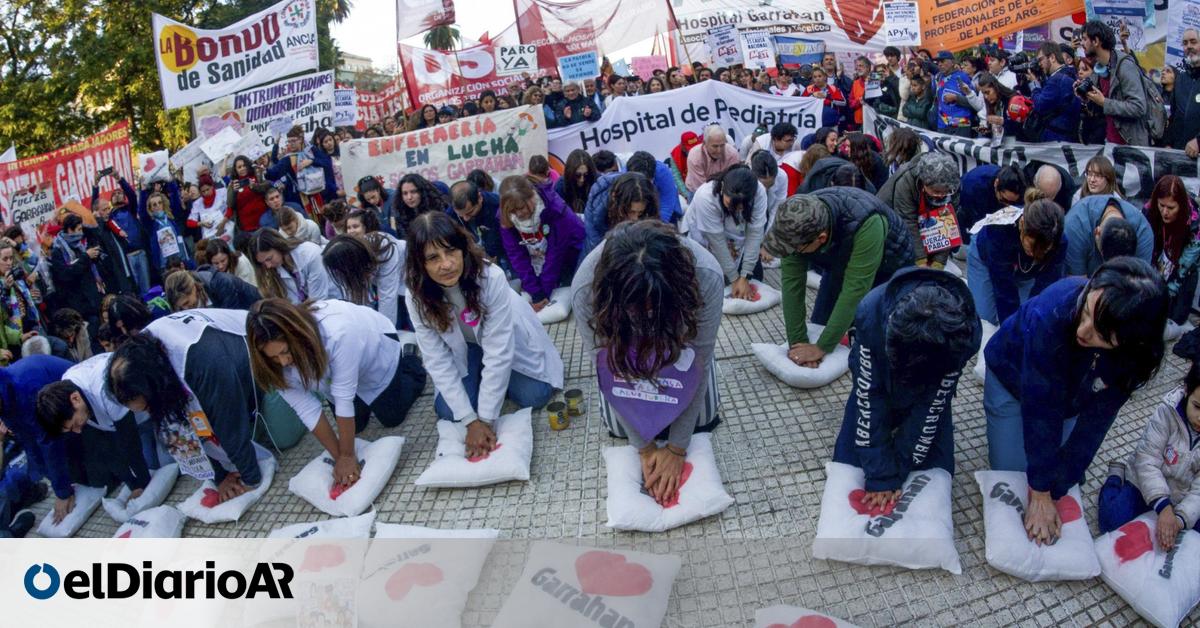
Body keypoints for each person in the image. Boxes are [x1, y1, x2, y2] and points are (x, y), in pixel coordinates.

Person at [984, 258, 1167, 545]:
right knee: (1012, 473)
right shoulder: (1052, 311)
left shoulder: (1135, 356)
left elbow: (1096, 421)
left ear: (1133, 342)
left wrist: (1058, 487)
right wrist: (1040, 492)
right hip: (1011, 375)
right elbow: (1041, 406)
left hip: (1074, 392)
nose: (1083, 331)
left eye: (1101, 334)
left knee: (1063, 474)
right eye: (1085, 313)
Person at [571, 221, 723, 505]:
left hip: (681, 355)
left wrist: (677, 449)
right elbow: (607, 370)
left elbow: (699, 359)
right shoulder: (585, 289)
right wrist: (644, 448)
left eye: (655, 305)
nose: (647, 315)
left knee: (703, 420)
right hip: (626, 361)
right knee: (620, 429)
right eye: (635, 306)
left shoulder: (706, 275)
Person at [405, 212, 562, 458]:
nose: (446, 264)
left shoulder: (491, 277)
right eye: (433, 257)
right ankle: (480, 375)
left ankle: (485, 381)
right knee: (449, 411)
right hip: (464, 348)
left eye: (451, 252)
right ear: (419, 264)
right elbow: (436, 359)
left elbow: (499, 350)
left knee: (536, 395)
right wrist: (470, 421)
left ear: (463, 249)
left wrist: (486, 420)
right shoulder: (416, 296)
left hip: (504, 341)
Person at [832, 267, 981, 504]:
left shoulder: (964, 334)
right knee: (851, 462)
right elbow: (870, 396)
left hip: (929, 388)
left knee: (932, 472)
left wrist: (899, 470)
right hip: (881, 374)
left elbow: (932, 405)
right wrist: (880, 476)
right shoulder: (871, 314)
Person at [106, 311, 285, 504]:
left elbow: (228, 423)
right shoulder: (145, 358)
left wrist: (250, 479)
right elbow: (182, 433)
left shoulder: (201, 361)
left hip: (263, 364)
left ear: (155, 388)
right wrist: (220, 476)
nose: (149, 413)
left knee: (282, 436)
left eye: (148, 406)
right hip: (224, 378)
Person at [246, 299, 425, 486]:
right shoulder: (270, 365)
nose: (283, 362)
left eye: (285, 351)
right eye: (274, 357)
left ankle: (410, 358)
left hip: (376, 354)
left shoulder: (338, 333)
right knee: (358, 427)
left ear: (296, 335)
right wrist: (339, 457)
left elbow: (344, 399)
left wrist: (348, 455)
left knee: (392, 417)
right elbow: (307, 409)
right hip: (337, 380)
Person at [766, 189, 915, 367]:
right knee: (821, 322)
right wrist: (798, 344)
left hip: (890, 265)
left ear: (820, 238)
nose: (790, 254)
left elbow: (855, 290)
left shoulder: (867, 223)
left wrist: (822, 347)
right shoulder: (794, 226)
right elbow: (792, 286)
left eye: (795, 249)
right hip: (840, 258)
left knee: (873, 334)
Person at [1098, 361, 1200, 543]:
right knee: (1112, 522)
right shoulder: (1167, 413)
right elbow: (1146, 460)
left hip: (1182, 494)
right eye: (1197, 407)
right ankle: (1115, 478)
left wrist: (1180, 519)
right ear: (1186, 391)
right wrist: (1163, 506)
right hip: (1144, 483)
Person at [34, 353, 152, 509]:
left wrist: (143, 484)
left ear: (75, 399)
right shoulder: (67, 394)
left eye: (75, 424)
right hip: (118, 415)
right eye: (70, 429)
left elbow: (130, 443)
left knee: (155, 462)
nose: (76, 431)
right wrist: (132, 484)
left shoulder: (105, 390)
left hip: (143, 403)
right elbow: (106, 447)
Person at [0, 355, 77, 522]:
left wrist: (62, 492)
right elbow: (26, 438)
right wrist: (41, 473)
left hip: (77, 403)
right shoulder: (6, 400)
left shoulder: (25, 389)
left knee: (89, 472)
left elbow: (49, 440)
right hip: (53, 407)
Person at [968, 199, 1067, 325]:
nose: (1036, 253)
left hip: (1026, 269)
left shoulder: (1060, 242)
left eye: (1044, 249)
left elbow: (1045, 285)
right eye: (1032, 246)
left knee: (1029, 314)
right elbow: (1004, 289)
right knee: (985, 319)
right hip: (986, 258)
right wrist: (1011, 329)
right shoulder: (999, 230)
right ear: (1022, 224)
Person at [497, 174, 585, 311]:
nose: (519, 214)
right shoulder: (505, 216)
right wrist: (536, 292)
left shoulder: (556, 210)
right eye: (513, 210)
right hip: (539, 260)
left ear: (532, 195)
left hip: (572, 256)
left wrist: (544, 293)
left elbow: (555, 255)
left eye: (521, 207)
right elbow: (516, 256)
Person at [682, 166, 767, 301]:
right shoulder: (706, 196)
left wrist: (745, 276)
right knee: (707, 282)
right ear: (722, 188)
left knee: (755, 277)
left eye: (741, 207)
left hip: (736, 235)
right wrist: (734, 278)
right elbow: (717, 242)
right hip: (705, 235)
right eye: (730, 204)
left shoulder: (759, 192)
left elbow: (755, 234)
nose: (735, 209)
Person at [877, 152, 961, 269]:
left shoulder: (952, 184)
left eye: (946, 192)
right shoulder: (906, 181)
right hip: (890, 224)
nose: (942, 196)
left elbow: (948, 224)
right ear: (923, 183)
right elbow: (908, 221)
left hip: (926, 228)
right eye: (936, 192)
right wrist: (921, 260)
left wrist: (939, 263)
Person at [1080, 20, 1150, 146]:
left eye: (1084, 39)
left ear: (1096, 41)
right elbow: (1100, 109)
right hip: (1110, 143)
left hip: (1130, 145)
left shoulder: (1124, 66)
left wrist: (1104, 102)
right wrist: (1087, 98)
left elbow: (1138, 107)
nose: (1081, 43)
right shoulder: (1099, 68)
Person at [1143, 175, 1200, 325]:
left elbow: (1185, 265)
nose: (1165, 212)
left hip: (1184, 266)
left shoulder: (1194, 222)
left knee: (1176, 318)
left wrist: (1165, 296)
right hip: (1156, 258)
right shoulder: (1149, 210)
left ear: (1180, 205)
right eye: (1162, 205)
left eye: (1171, 208)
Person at [323, 232, 408, 330]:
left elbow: (387, 297)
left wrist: (385, 334)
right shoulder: (354, 259)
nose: (338, 274)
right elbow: (355, 300)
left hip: (410, 277)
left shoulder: (384, 247)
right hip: (390, 286)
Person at [92, 171, 151, 295]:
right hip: (126, 258)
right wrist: (96, 185)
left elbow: (132, 195)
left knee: (146, 289)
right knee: (134, 290)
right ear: (110, 201)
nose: (118, 195)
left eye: (120, 193)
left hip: (140, 253)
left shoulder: (130, 210)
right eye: (115, 194)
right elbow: (95, 207)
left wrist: (119, 179)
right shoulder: (109, 218)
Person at [1064, 195, 1154, 275]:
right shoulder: (1074, 227)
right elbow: (1078, 286)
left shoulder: (1142, 233)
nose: (1112, 267)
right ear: (1097, 233)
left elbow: (1138, 285)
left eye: (1120, 262)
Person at [49, 213, 104, 341]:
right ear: (69, 230)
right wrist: (85, 257)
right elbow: (65, 274)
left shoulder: (80, 247)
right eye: (78, 230)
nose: (81, 233)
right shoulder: (58, 251)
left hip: (90, 301)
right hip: (76, 305)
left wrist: (94, 257)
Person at [248, 228, 334, 304]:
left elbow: (318, 300)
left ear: (278, 246)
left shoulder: (310, 254)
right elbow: (292, 302)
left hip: (333, 301)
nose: (268, 266)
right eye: (263, 263)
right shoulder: (278, 266)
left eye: (269, 258)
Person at [1027, 42, 1081, 143]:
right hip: (1065, 136)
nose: (1039, 64)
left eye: (1040, 60)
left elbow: (1040, 105)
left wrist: (1034, 84)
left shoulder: (1057, 80)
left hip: (1057, 139)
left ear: (1052, 57)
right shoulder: (1068, 75)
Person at [448, 180, 506, 268]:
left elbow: (503, 238)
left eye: (470, 212)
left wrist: (491, 257)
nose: (465, 219)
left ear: (479, 198)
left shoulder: (497, 205)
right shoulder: (449, 215)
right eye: (460, 215)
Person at [957, 164, 1026, 236]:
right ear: (996, 184)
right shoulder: (974, 188)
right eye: (1004, 200)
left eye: (1012, 202)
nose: (1008, 205)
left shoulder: (1016, 187)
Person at [1166, 28, 1200, 156]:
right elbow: (1174, 117)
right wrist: (1168, 142)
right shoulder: (1180, 80)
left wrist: (1198, 141)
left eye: (1193, 42)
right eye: (1185, 43)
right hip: (1180, 156)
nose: (1189, 46)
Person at [163, 268, 261, 312]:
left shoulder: (220, 283)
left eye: (186, 303)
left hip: (256, 309)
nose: (185, 308)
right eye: (181, 306)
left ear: (193, 288)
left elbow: (231, 320)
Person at [141, 191, 190, 272]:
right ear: (150, 208)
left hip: (180, 260)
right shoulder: (151, 224)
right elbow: (142, 212)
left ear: (163, 204)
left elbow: (175, 200)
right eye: (154, 204)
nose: (157, 206)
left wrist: (171, 182)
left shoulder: (171, 219)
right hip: (165, 265)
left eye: (159, 203)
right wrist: (143, 191)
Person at [685, 125, 742, 193]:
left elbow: (733, 180)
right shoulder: (695, 157)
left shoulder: (733, 154)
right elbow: (702, 190)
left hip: (725, 191)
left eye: (722, 145)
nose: (719, 150)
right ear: (705, 143)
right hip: (698, 191)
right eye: (715, 146)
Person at [933, 51, 977, 137]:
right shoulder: (939, 77)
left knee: (960, 149)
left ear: (952, 62)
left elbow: (974, 102)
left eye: (942, 61)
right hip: (943, 123)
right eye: (938, 62)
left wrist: (956, 98)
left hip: (960, 123)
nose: (939, 64)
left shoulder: (962, 77)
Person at [225, 155, 271, 233]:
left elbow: (267, 187)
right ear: (235, 170)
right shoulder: (233, 184)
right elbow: (230, 204)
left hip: (265, 219)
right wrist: (233, 191)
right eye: (239, 167)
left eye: (244, 165)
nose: (242, 168)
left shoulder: (257, 174)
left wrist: (254, 186)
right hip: (247, 226)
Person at [555, 149, 598, 215]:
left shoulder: (596, 181)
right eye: (578, 175)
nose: (582, 179)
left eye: (586, 175)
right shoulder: (561, 185)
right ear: (570, 173)